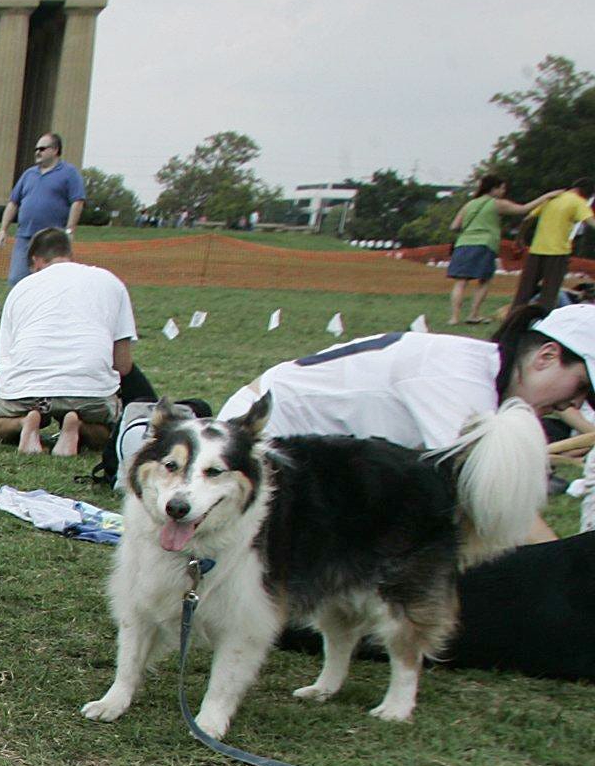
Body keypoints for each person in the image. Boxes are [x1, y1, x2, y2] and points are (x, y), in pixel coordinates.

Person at [217, 303, 593, 547]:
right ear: (546, 356)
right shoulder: (460, 379)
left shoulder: (479, 371)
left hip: (329, 466)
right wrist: (562, 567)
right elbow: (495, 503)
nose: (574, 405)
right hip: (267, 442)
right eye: (580, 387)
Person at [0, 228, 136, 457]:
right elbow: (123, 365)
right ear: (70, 254)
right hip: (88, 391)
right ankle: (78, 426)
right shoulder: (110, 282)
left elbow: (5, 360)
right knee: (110, 428)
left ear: (36, 261)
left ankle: (23, 423)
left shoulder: (20, 289)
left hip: (27, 390)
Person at [0, 133, 84, 286]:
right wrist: (3, 230)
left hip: (52, 240)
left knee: (49, 282)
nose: (37, 152)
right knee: (17, 280)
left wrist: (69, 230)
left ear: (55, 150)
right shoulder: (29, 174)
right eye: (36, 149)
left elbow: (77, 202)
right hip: (25, 237)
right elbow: (13, 203)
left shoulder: (69, 173)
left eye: (42, 149)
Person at [447, 173, 533, 327]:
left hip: (463, 244)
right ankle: (473, 314)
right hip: (484, 244)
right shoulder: (496, 204)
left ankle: (454, 318)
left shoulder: (470, 204)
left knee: (460, 282)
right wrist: (547, 197)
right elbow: (523, 209)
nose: (503, 192)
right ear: (493, 189)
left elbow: (454, 226)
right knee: (484, 280)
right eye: (502, 188)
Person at [504, 177, 593, 322]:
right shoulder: (578, 202)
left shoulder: (552, 198)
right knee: (549, 294)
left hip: (536, 250)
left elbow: (527, 219)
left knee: (524, 291)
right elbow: (591, 222)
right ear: (586, 193)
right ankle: (542, 323)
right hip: (558, 253)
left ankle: (511, 321)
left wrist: (519, 238)